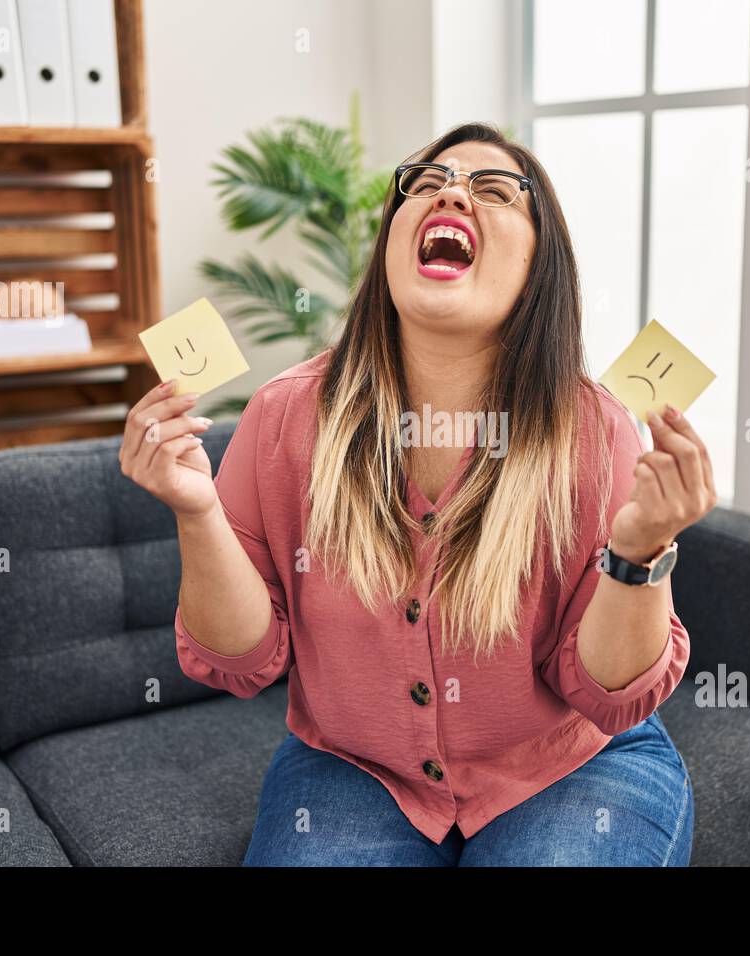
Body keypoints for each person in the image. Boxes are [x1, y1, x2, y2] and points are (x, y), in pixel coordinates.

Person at [118, 122, 717, 866]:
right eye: (428, 183)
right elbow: (245, 662)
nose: (453, 191)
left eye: (494, 189)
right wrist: (196, 510)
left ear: (538, 266)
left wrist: (639, 553)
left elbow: (606, 690)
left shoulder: (595, 430)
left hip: (572, 765)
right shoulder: (282, 417)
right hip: (352, 770)